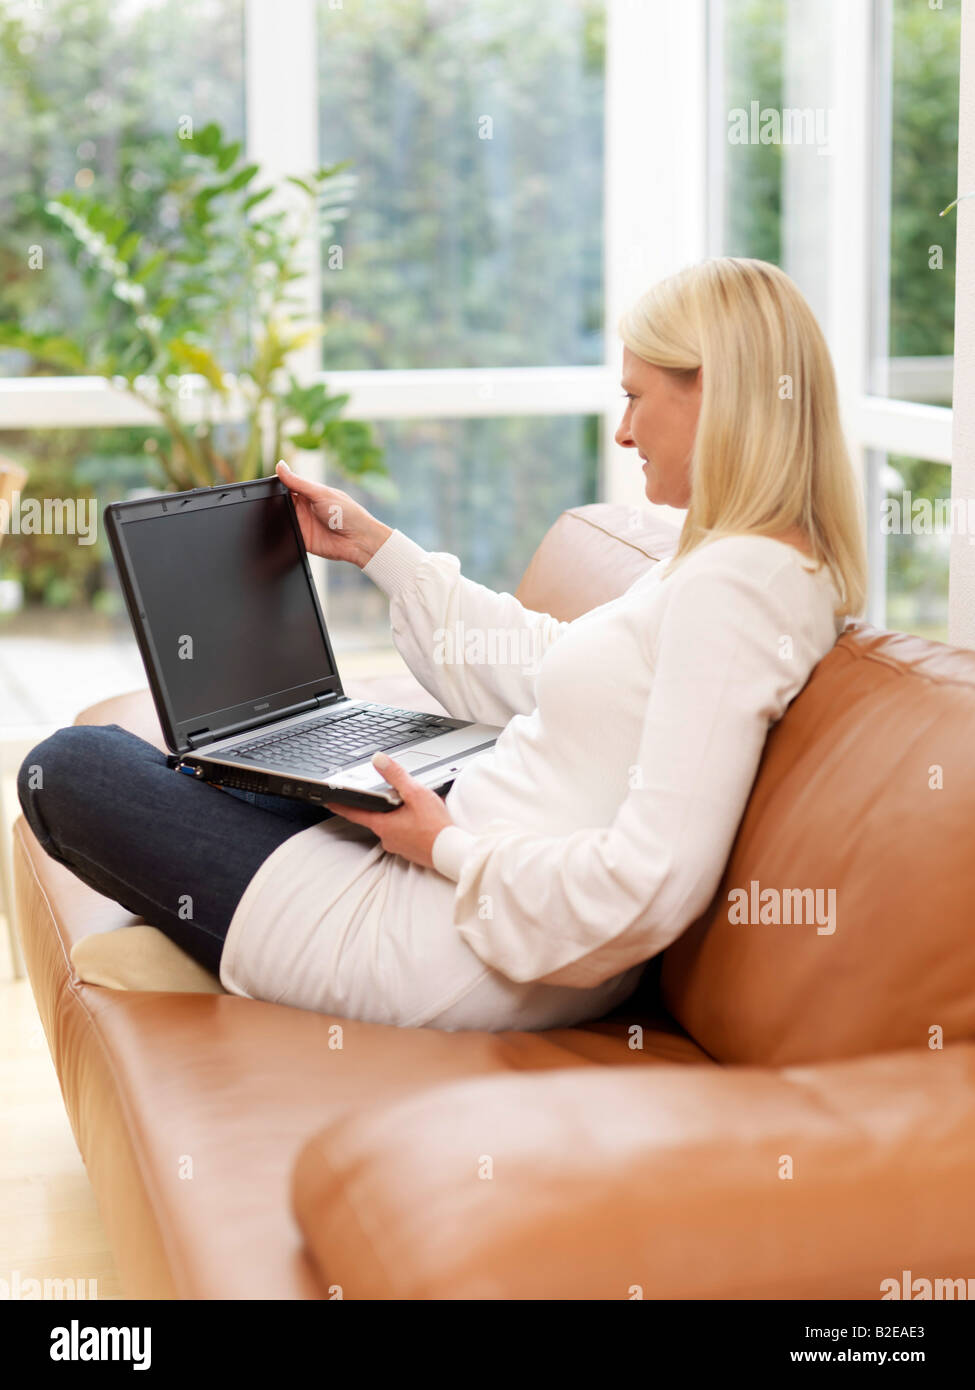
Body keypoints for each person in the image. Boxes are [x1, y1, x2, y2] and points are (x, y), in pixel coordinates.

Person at [18, 257, 867, 1032]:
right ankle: (202, 924)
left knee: (70, 767)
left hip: (452, 945)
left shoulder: (735, 592)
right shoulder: (736, 563)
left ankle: (202, 943)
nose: (622, 432)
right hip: (473, 877)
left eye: (636, 397)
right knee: (228, 759)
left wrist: (441, 845)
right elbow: (549, 669)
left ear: (714, 395)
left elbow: (651, 884)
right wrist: (373, 548)